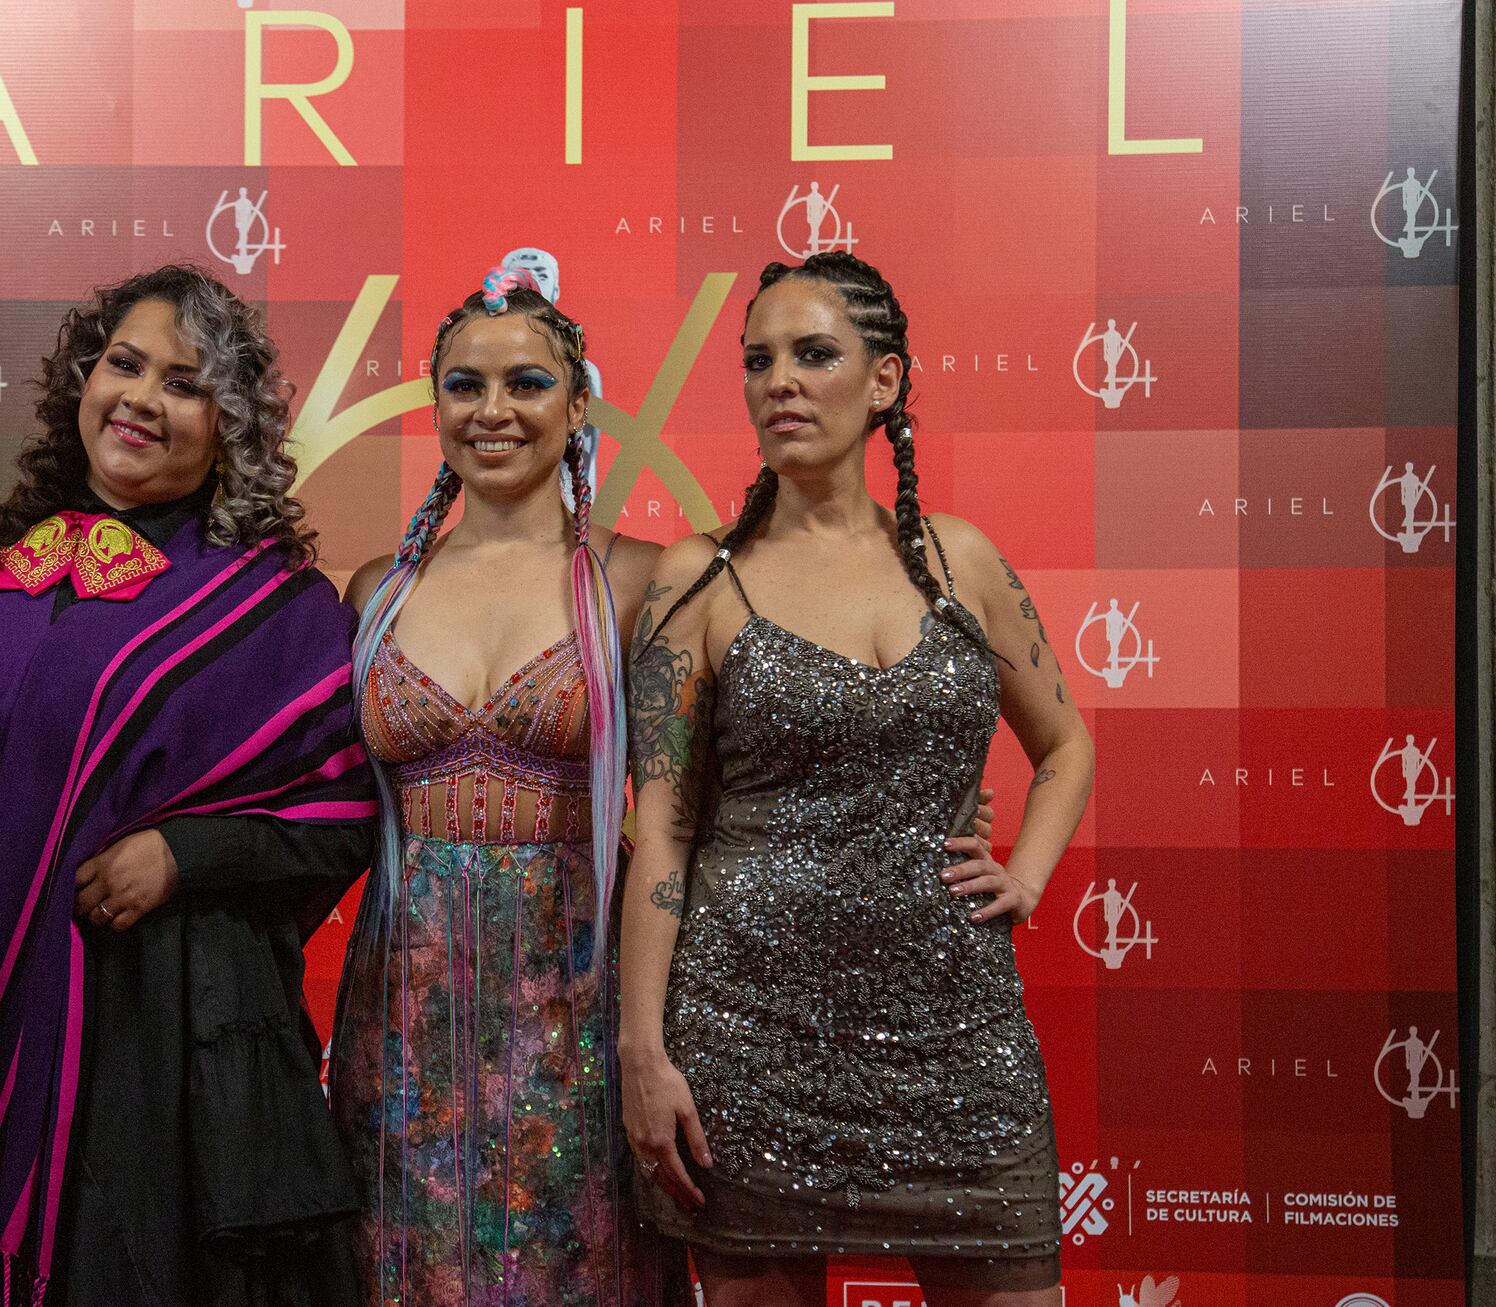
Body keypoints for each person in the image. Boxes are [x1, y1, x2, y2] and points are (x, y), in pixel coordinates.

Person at [0, 264, 377, 1307]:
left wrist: (183, 853)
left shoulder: (272, 606)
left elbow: (339, 815)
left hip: (144, 1040)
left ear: (230, 427)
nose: (142, 399)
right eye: (125, 364)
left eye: (185, 383)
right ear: (82, 378)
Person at [618, 251, 1094, 1306]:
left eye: (813, 354)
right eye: (758, 361)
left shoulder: (961, 559)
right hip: (745, 1039)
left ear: (885, 381)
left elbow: (1065, 746)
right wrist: (642, 1049)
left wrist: (1025, 873)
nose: (779, 381)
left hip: (959, 1038)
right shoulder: (699, 576)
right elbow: (663, 836)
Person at [327, 265, 684, 1305]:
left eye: (526, 383)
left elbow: (709, 798)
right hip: (403, 1003)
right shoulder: (375, 590)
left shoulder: (642, 577)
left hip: (579, 999)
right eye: (463, 385)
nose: (493, 410)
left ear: (578, 409)